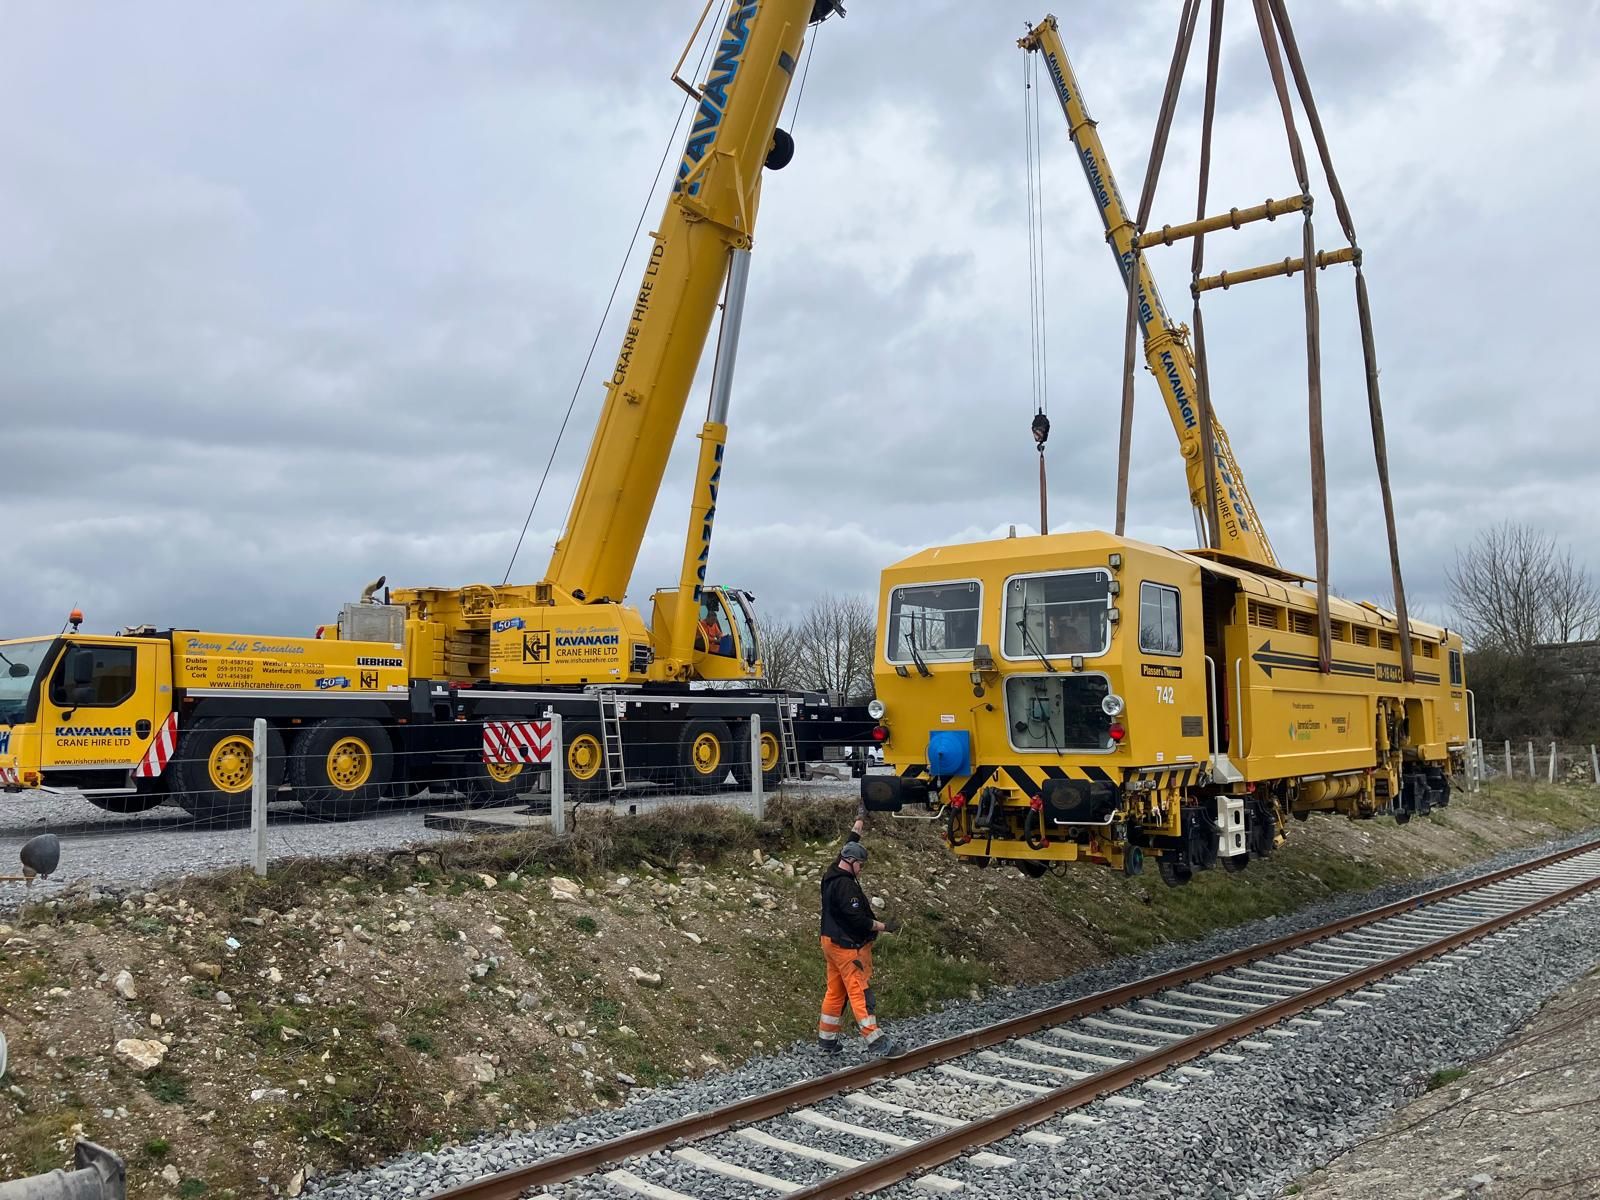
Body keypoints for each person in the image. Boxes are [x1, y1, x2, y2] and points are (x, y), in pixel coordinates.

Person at [817, 816, 903, 1058]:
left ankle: (827, 1041)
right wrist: (884, 926)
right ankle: (877, 1041)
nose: (861, 870)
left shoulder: (832, 873)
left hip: (829, 941)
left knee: (835, 992)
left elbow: (848, 844)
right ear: (852, 862)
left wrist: (858, 823)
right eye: (861, 865)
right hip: (847, 947)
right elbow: (858, 920)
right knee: (860, 992)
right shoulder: (846, 887)